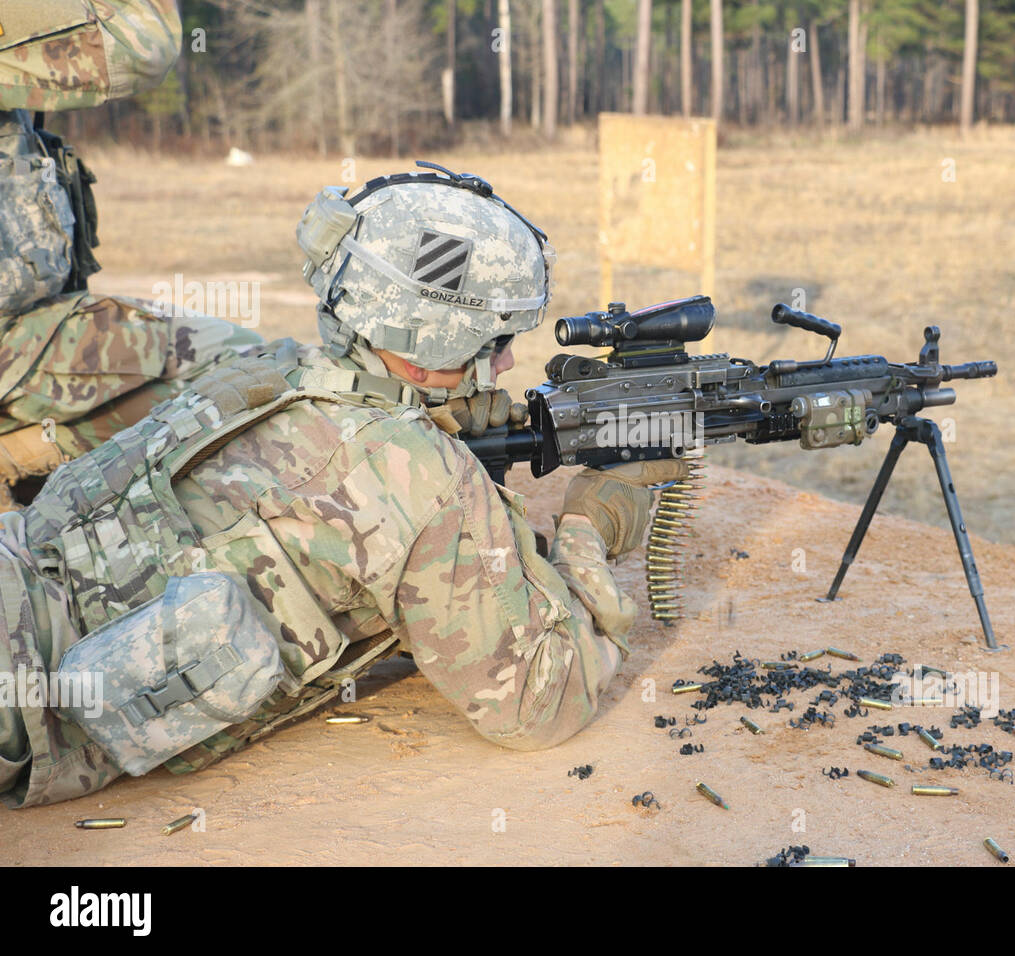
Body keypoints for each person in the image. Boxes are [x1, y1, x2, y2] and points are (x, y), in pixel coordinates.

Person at [0, 165, 688, 808]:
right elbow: (543, 703)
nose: (507, 359)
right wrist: (589, 528)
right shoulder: (419, 479)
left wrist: (431, 427)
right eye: (495, 336)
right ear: (438, 341)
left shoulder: (266, 370)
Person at [0, 0, 264, 511]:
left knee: (184, 402)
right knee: (242, 370)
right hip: (14, 343)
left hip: (27, 330)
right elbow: (142, 47)